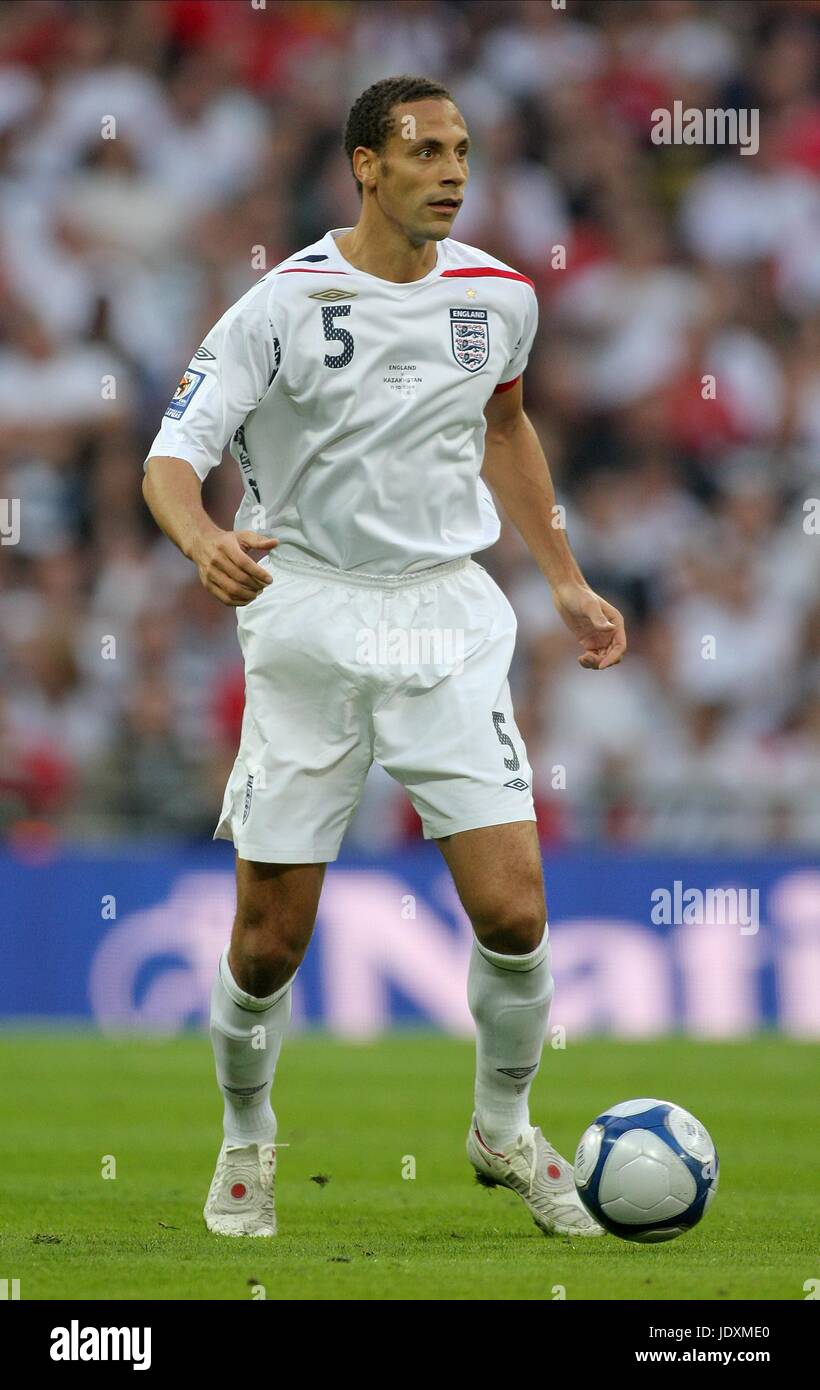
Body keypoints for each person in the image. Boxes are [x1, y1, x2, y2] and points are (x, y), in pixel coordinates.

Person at [142, 75, 626, 1240]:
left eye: (462, 149)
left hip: (447, 615)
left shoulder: (500, 297)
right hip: (307, 612)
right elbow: (170, 456)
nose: (452, 170)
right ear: (366, 164)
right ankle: (248, 1137)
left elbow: (502, 426)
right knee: (269, 938)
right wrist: (204, 539)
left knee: (514, 912)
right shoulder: (281, 303)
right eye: (425, 151)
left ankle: (501, 1126)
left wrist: (562, 576)